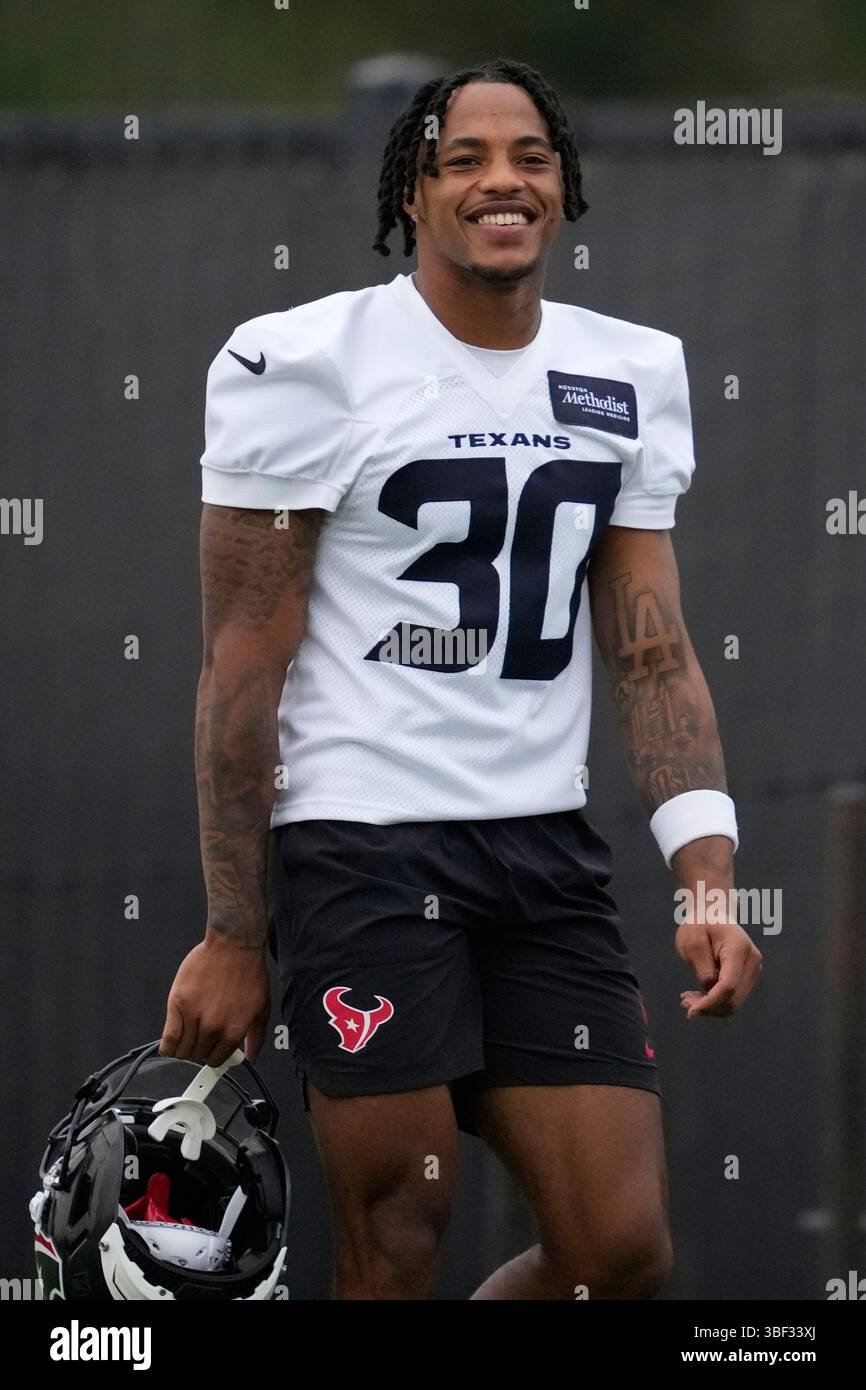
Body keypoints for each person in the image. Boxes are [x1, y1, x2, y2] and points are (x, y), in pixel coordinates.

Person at [160, 57, 762, 1300]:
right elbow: (239, 669)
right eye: (462, 159)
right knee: (393, 1234)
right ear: (414, 192)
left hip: (541, 849)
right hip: (362, 845)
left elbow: (648, 646)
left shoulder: (628, 370)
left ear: (563, 184)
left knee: (616, 1251)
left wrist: (704, 872)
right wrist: (234, 929)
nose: (501, 180)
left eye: (529, 156)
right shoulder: (305, 360)